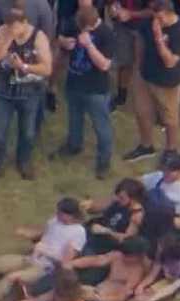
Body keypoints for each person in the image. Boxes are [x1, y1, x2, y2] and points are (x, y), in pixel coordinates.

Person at [0, 7, 52, 184]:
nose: (11, 30)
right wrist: (8, 38)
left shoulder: (38, 37)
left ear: (25, 23)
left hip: (29, 91)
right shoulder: (3, 31)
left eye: (15, 27)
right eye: (9, 26)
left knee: (28, 133)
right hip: (4, 90)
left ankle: (24, 161)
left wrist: (24, 67)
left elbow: (47, 68)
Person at [124, 0, 180, 162]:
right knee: (142, 112)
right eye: (154, 16)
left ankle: (171, 149)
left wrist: (158, 37)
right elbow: (140, 40)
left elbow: (170, 62)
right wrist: (138, 67)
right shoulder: (150, 22)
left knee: (169, 118)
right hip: (145, 76)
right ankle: (146, 146)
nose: (156, 21)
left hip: (168, 81)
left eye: (159, 17)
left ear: (169, 14)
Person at [57, 5, 115, 181]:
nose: (81, 31)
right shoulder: (76, 24)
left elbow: (105, 65)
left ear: (94, 22)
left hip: (95, 88)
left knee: (101, 126)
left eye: (85, 29)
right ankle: (74, 145)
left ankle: (103, 162)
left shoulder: (106, 34)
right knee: (74, 118)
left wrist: (89, 45)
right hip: (74, 82)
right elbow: (59, 39)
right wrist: (64, 42)